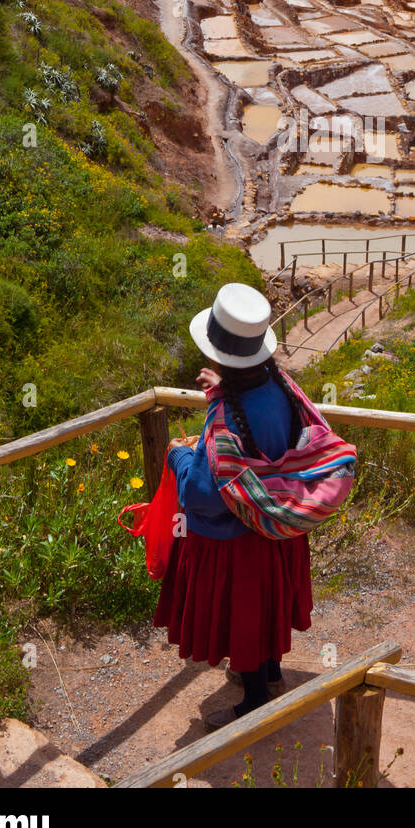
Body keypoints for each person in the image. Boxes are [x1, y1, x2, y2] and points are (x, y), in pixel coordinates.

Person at [154, 283, 314, 731]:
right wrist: (219, 393)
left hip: (237, 542)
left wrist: (179, 455)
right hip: (277, 528)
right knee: (267, 609)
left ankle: (254, 701)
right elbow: (255, 432)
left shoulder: (228, 415)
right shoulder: (280, 388)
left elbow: (203, 495)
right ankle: (271, 672)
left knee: (242, 615)